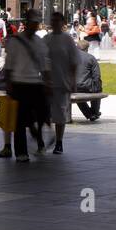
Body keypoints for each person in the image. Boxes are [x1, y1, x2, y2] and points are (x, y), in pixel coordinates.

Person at [4, 13, 50, 162]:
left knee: (39, 116)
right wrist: (9, 85)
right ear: (27, 23)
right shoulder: (15, 41)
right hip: (19, 83)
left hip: (35, 83)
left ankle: (38, 138)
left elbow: (44, 65)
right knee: (19, 120)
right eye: (32, 22)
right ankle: (21, 152)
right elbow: (9, 65)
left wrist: (47, 82)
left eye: (37, 23)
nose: (35, 26)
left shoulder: (39, 41)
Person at [43, 13, 78, 154]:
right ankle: (49, 136)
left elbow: (73, 62)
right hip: (47, 83)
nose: (55, 23)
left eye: (58, 20)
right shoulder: (46, 39)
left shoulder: (68, 40)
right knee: (44, 113)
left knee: (60, 114)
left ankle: (59, 142)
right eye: (53, 20)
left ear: (63, 22)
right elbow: (41, 60)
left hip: (62, 82)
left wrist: (73, 80)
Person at [74, 38, 103, 120]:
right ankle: (94, 112)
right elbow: (96, 75)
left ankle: (89, 114)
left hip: (73, 87)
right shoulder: (91, 58)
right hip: (87, 86)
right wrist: (98, 87)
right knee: (97, 90)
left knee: (76, 95)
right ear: (87, 49)